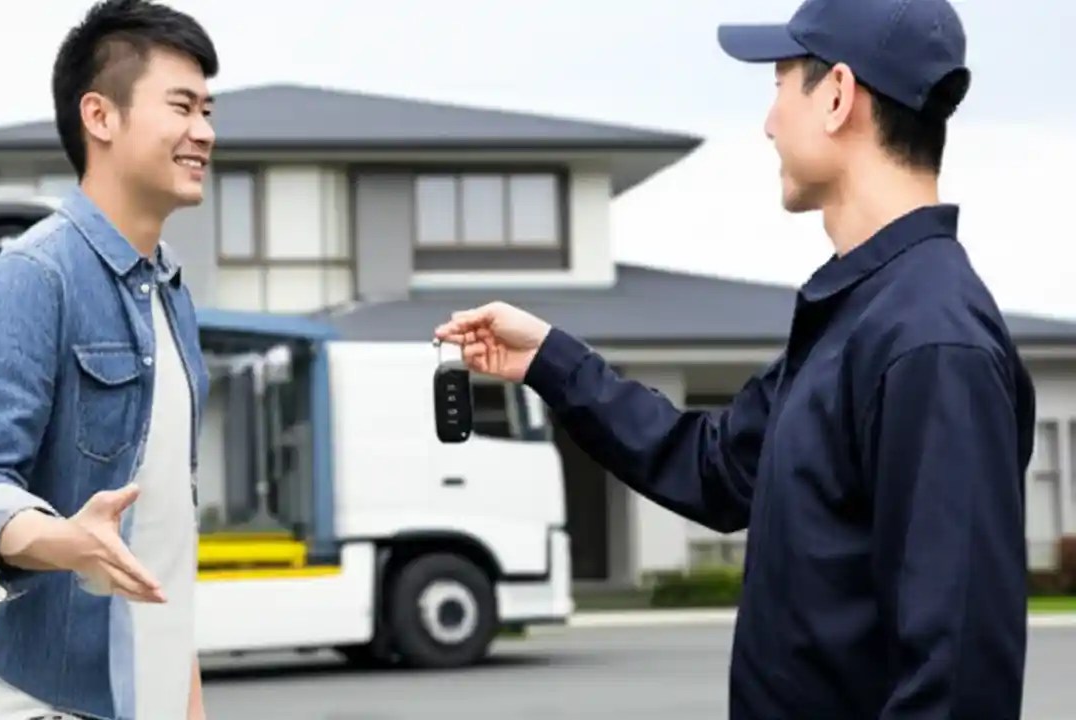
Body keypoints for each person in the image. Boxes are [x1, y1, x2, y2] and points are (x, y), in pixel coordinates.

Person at [435, 0, 1034, 718]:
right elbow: (714, 469)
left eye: (781, 82)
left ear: (838, 95)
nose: (769, 122)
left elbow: (958, 680)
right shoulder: (858, 316)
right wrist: (550, 362)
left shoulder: (931, 342)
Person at [0, 1, 218, 718]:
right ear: (101, 116)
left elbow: (165, 539)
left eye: (209, 111)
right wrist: (60, 540)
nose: (205, 133)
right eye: (182, 106)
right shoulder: (35, 274)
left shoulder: (174, 293)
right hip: (54, 703)